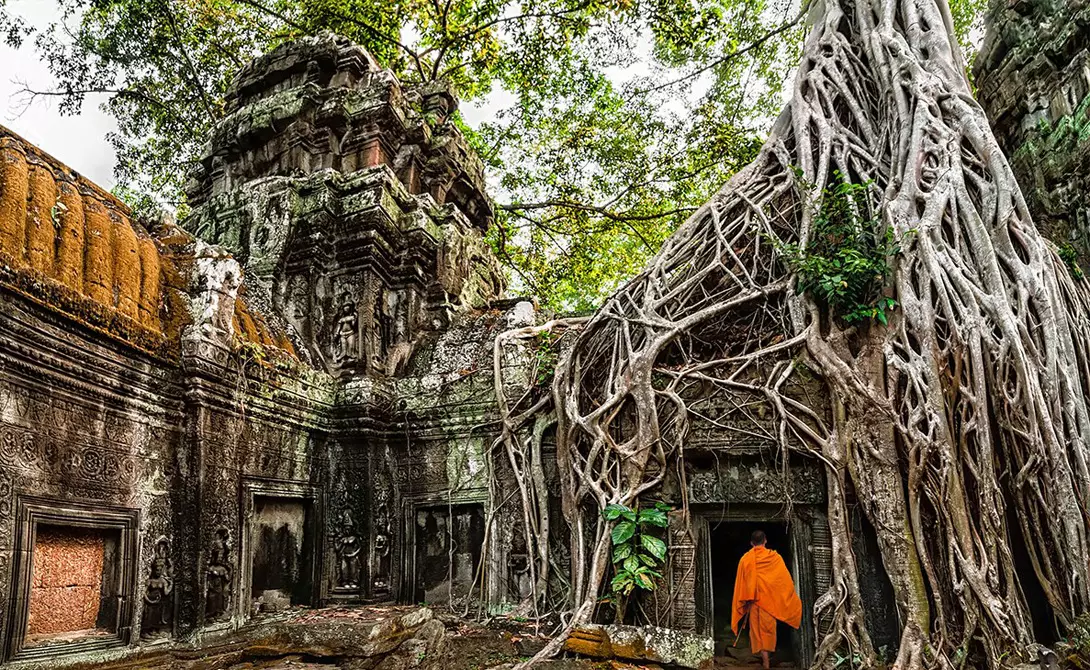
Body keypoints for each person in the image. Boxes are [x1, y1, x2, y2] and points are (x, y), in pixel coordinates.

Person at [731, 530, 803, 669]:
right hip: (769, 602)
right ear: (765, 541)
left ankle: (765, 662)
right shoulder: (774, 558)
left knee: (758, 632)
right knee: (768, 631)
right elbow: (785, 582)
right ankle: (766, 661)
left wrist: (746, 599)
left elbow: (741, 583)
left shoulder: (745, 559)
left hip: (754, 603)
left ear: (751, 543)